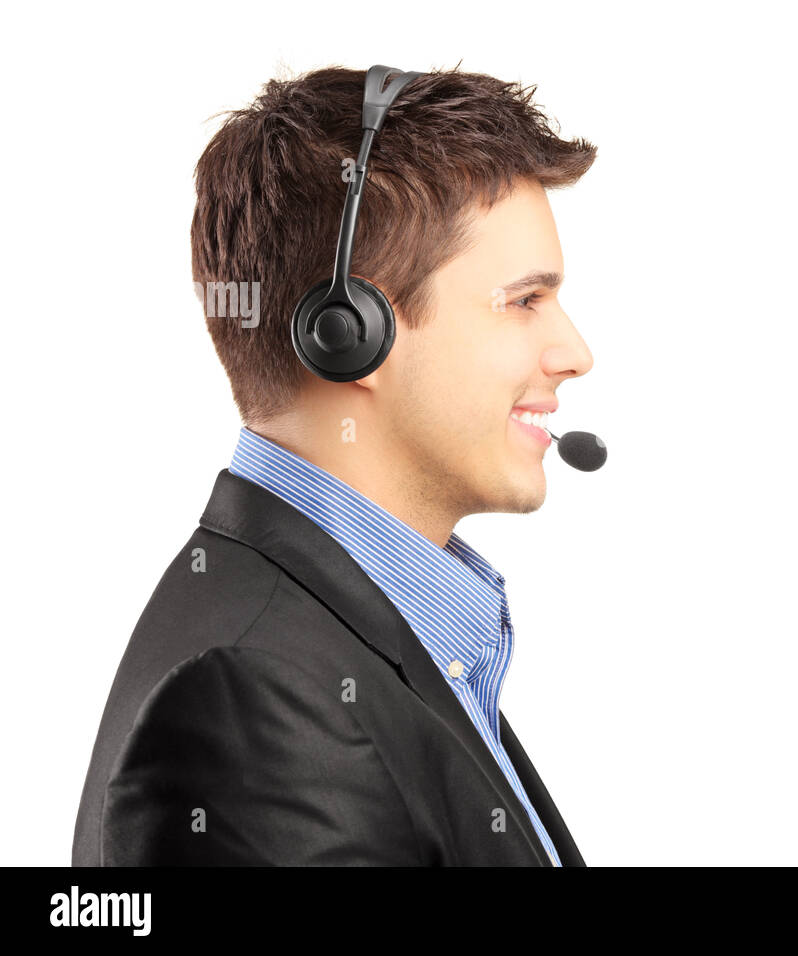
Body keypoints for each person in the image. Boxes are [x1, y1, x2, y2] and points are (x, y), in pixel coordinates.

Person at [72, 64, 598, 866]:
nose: (575, 354)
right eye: (525, 300)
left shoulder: (364, 637)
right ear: (352, 329)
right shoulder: (257, 702)